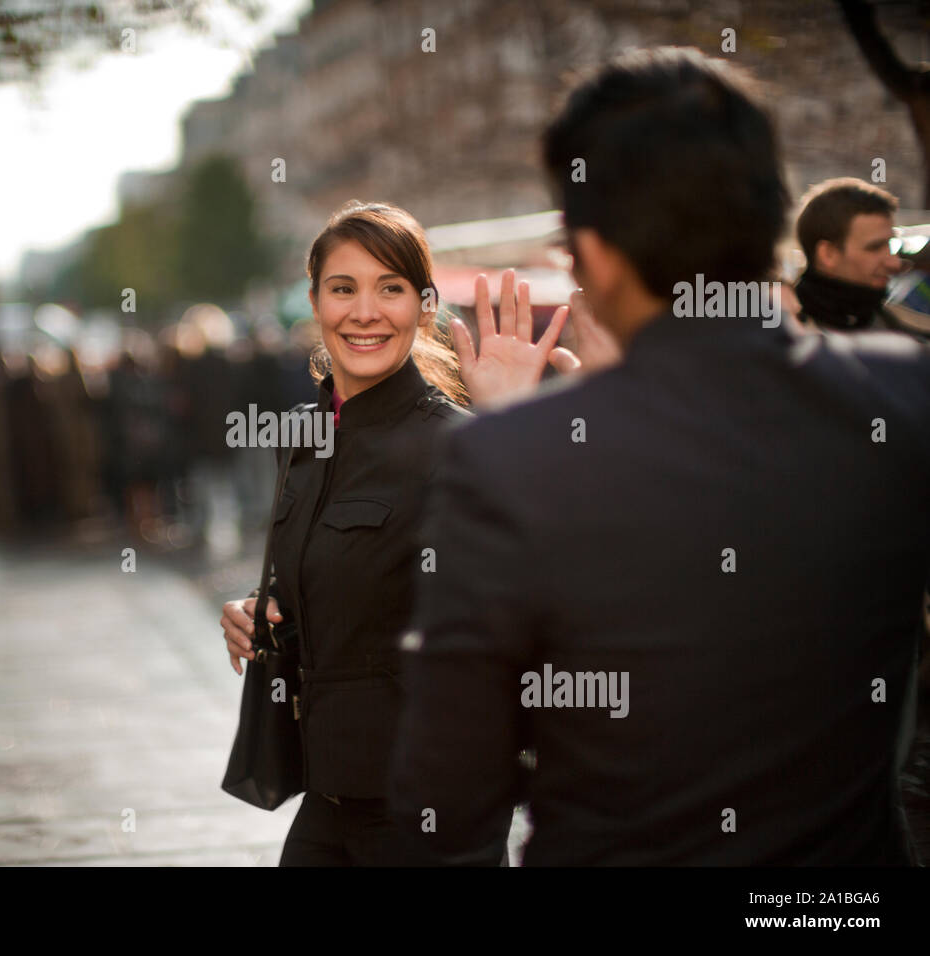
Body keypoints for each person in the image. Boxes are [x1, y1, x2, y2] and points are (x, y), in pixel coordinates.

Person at [389, 47, 930, 865]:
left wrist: (532, 433)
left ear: (594, 253)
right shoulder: (903, 399)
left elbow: (447, 795)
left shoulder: (507, 462)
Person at [219, 199, 573, 866]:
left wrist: (507, 432)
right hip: (327, 796)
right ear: (314, 301)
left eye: (392, 288)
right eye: (343, 288)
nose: (365, 311)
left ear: (424, 306)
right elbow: (325, 577)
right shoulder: (303, 436)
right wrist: (256, 612)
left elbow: (536, 589)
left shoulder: (454, 440)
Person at [793, 177, 929, 340]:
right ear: (828, 254)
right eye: (874, 248)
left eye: (890, 245)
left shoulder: (908, 333)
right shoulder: (780, 337)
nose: (894, 262)